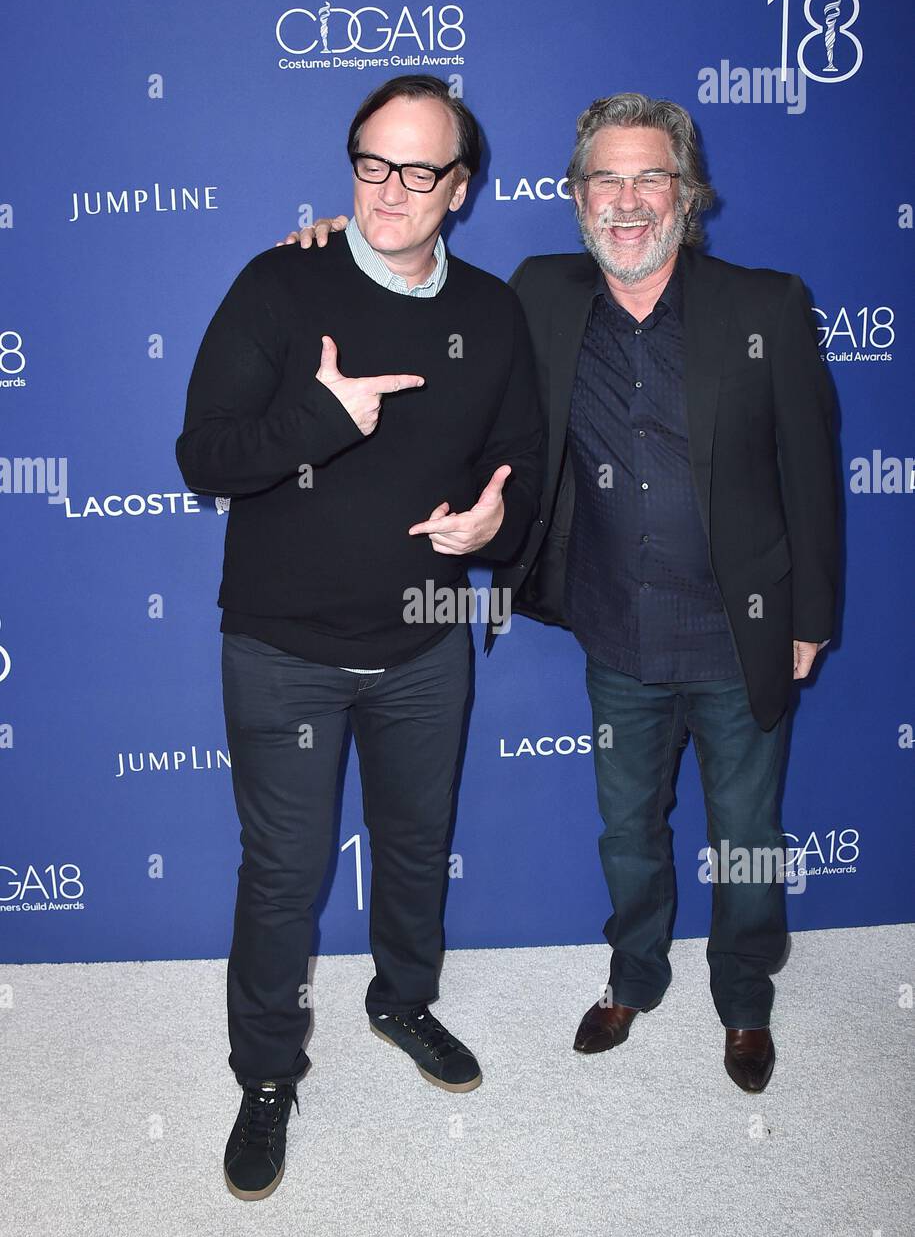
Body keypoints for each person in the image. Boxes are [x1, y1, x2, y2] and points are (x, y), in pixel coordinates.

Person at [288, 92, 839, 1096]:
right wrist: (341, 247)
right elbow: (423, 281)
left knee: (748, 838)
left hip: (738, 635)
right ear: (577, 197)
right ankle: (635, 975)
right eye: (605, 180)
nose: (627, 201)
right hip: (616, 634)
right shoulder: (539, 294)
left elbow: (811, 469)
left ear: (686, 193)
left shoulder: (765, 304)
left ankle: (746, 993)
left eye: (649, 178)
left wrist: (811, 619)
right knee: (627, 827)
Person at [177, 75, 544, 1200]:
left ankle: (403, 998)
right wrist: (322, 422)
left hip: (427, 641)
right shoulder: (280, 283)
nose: (390, 189)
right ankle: (269, 1072)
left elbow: (524, 471)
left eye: (418, 169)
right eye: (372, 165)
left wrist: (495, 523)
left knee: (416, 845)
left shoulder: (492, 311)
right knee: (284, 876)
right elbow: (205, 459)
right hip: (284, 646)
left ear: (461, 188)